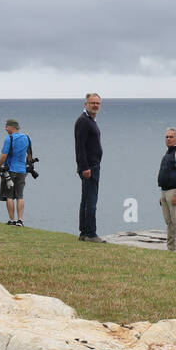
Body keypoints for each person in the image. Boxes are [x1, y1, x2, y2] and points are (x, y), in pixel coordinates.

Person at [74, 93, 104, 242]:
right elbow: (80, 146)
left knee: (86, 199)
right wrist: (85, 167)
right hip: (89, 167)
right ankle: (91, 233)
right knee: (91, 200)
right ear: (86, 104)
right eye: (92, 103)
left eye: (98, 103)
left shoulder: (90, 120)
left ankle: (84, 232)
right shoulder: (83, 121)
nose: (95, 105)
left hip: (92, 166)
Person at [0, 118, 29, 226]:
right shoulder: (26, 138)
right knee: (20, 196)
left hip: (10, 170)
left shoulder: (9, 139)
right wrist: (28, 168)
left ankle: (12, 220)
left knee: (9, 196)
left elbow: (4, 155)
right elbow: (30, 154)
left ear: (12, 127)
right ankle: (20, 220)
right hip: (22, 170)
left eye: (7, 126)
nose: (5, 129)